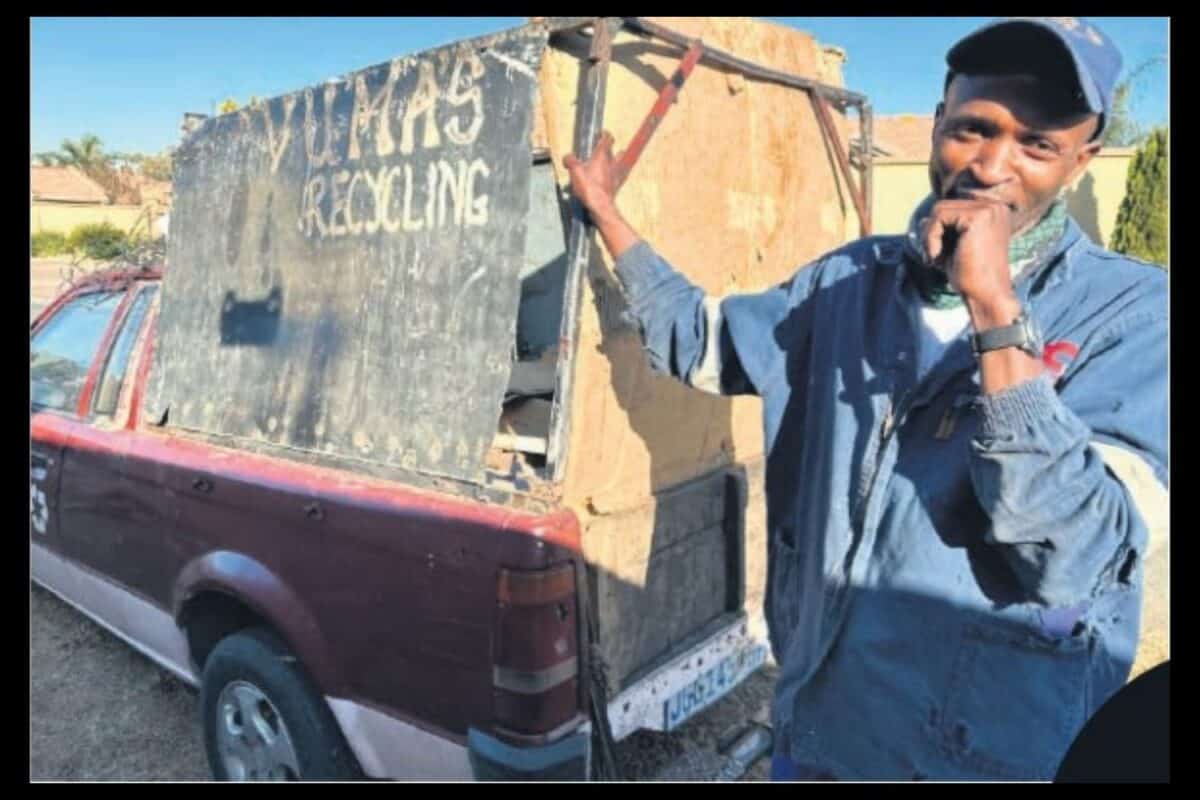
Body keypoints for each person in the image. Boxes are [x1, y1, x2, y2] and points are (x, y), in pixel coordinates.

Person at [563, 17, 1167, 780]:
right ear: (938, 123)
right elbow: (704, 343)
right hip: (819, 736)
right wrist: (608, 214)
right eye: (973, 128)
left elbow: (1074, 556)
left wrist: (995, 315)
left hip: (984, 761)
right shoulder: (846, 284)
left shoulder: (1139, 317)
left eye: (1036, 144)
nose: (991, 165)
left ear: (1079, 161)